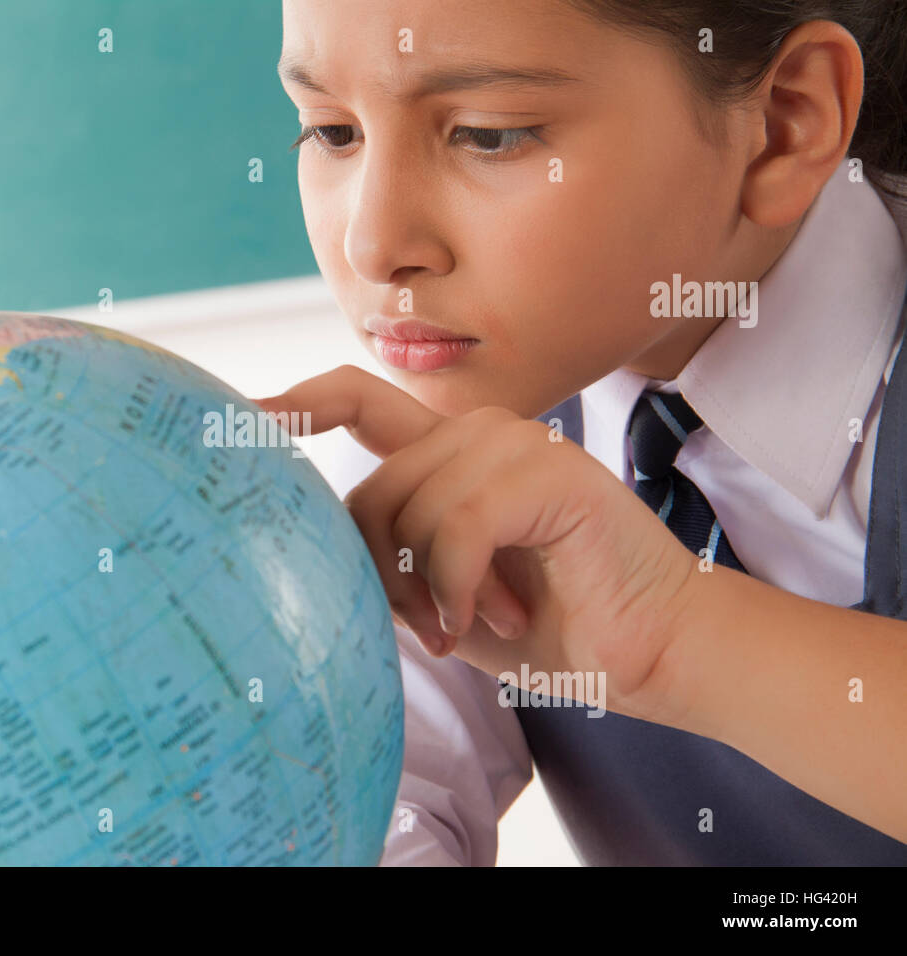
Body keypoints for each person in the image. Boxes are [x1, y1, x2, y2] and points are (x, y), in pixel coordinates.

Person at [259, 0, 907, 864]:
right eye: (333, 133)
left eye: (489, 135)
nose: (374, 244)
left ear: (785, 123)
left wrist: (677, 637)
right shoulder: (440, 436)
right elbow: (374, 813)